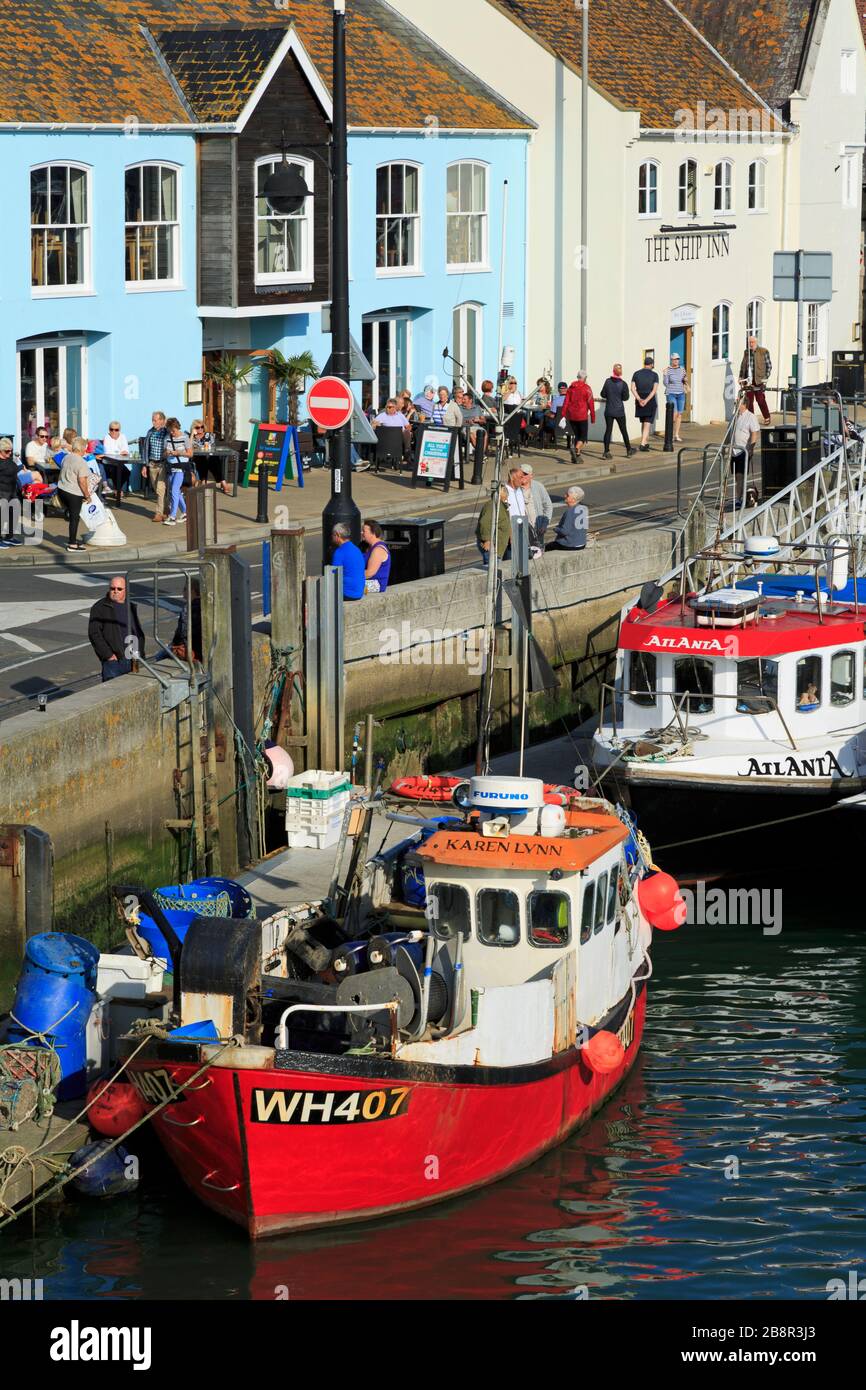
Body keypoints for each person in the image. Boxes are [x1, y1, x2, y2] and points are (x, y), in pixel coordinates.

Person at [88, 576, 146, 682]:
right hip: (115, 662)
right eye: (112, 588)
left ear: (126, 590)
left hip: (134, 659)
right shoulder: (100, 607)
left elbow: (136, 630)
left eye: (119, 589)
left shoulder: (130, 606)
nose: (115, 591)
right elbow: (94, 633)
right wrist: (108, 655)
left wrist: (140, 653)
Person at [57, 437, 94, 552]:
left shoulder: (66, 457)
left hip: (62, 489)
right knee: (75, 518)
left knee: (72, 515)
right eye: (85, 448)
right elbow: (82, 481)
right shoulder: (81, 462)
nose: (86, 451)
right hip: (73, 493)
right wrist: (87, 495)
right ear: (81, 448)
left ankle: (73, 541)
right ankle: (72, 544)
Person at [599, 366, 634, 459]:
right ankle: (629, 450)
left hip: (609, 410)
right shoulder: (623, 384)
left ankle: (606, 452)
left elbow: (602, 394)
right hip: (619, 411)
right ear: (620, 372)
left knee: (608, 430)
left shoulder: (607, 381)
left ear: (613, 371)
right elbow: (626, 398)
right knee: (623, 430)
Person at [163, 417, 193, 527]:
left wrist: (178, 453)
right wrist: (167, 453)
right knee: (174, 491)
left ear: (177, 427)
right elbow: (164, 453)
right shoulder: (167, 438)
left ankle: (172, 516)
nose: (171, 433)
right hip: (171, 467)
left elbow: (190, 454)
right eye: (169, 430)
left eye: (173, 430)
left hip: (181, 467)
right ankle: (186, 513)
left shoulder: (185, 437)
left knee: (175, 489)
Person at [143, 410, 170, 522]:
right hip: (152, 464)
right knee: (157, 488)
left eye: (155, 420)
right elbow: (145, 449)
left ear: (162, 421)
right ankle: (166, 509)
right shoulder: (150, 432)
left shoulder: (166, 432)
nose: (153, 422)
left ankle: (158, 513)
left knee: (160, 489)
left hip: (163, 463)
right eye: (152, 420)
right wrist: (145, 465)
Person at [562, 371, 596, 461]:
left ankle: (577, 456)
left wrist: (563, 414)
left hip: (572, 415)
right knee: (583, 436)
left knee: (577, 435)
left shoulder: (571, 388)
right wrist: (593, 416)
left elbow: (566, 402)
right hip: (582, 415)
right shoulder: (587, 388)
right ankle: (576, 448)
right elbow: (591, 403)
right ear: (585, 378)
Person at [739, 336, 772, 425]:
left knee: (760, 399)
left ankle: (767, 416)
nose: (751, 344)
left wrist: (765, 378)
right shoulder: (746, 352)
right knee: (749, 400)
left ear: (756, 342)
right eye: (749, 342)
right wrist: (741, 377)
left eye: (753, 342)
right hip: (749, 381)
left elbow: (769, 366)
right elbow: (743, 366)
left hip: (759, 380)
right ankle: (752, 419)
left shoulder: (764, 351)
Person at [476, 484, 510, 566]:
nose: (507, 497)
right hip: (491, 547)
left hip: (497, 547)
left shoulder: (501, 506)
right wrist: (487, 540)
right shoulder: (492, 506)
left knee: (496, 569)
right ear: (500, 494)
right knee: (491, 569)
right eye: (505, 494)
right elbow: (484, 522)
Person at [330, 523, 366, 600]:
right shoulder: (356, 549)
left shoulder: (339, 552)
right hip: (359, 592)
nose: (331, 537)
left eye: (333, 535)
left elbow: (333, 576)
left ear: (337, 535)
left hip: (347, 593)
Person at [548, 485, 589, 551]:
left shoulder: (570, 512)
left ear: (573, 499)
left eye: (567, 495)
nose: (564, 496)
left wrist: (555, 529)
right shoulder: (584, 508)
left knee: (546, 547)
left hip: (570, 544)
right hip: (582, 543)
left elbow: (564, 532)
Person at [631, 356, 659, 451]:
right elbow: (654, 390)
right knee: (647, 423)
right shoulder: (655, 375)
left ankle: (645, 441)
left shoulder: (636, 374)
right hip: (649, 400)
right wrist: (646, 400)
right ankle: (642, 444)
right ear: (651, 364)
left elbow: (632, 388)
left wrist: (639, 399)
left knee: (643, 422)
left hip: (639, 399)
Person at [102, 421, 130, 504]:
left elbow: (126, 450)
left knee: (127, 472)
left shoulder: (123, 436)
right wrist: (119, 452)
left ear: (119, 430)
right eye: (112, 429)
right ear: (109, 430)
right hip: (108, 463)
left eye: (116, 430)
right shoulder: (107, 437)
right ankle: (118, 491)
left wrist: (121, 452)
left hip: (118, 463)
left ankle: (117, 490)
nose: (114, 432)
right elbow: (108, 452)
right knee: (116, 472)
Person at [663, 354, 688, 444]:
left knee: (679, 414)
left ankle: (676, 435)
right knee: (674, 414)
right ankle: (669, 434)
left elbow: (685, 379)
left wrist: (685, 379)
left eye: (678, 359)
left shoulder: (682, 369)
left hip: (681, 393)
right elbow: (665, 383)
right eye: (675, 359)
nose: (676, 360)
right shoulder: (668, 370)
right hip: (671, 393)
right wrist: (665, 375)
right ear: (671, 360)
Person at [361, 519, 391, 593]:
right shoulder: (369, 547)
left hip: (376, 584)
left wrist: (351, 575)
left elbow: (370, 573)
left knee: (344, 586)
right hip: (368, 581)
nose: (361, 533)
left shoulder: (378, 550)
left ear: (373, 533)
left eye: (364, 531)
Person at [0, 438, 19, 547]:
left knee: (15, 511)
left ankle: (9, 537)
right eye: (7, 451)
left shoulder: (10, 459)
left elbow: (16, 472)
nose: (9, 453)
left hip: (12, 492)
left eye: (10, 450)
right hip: (1, 493)